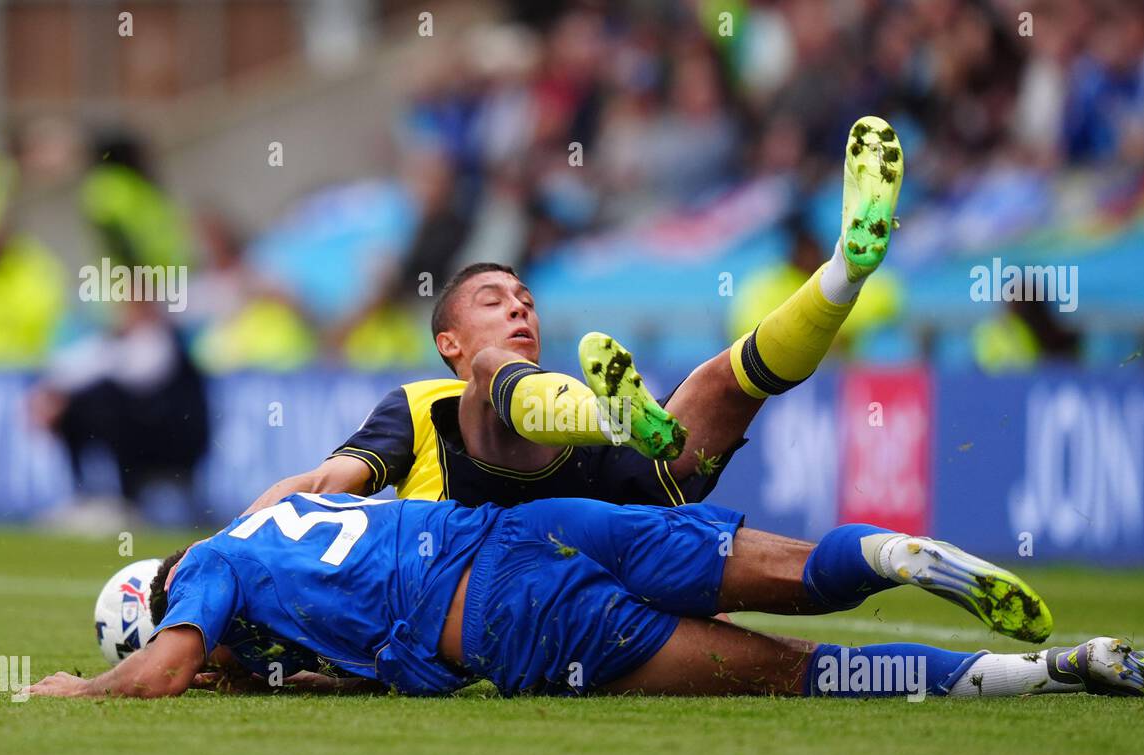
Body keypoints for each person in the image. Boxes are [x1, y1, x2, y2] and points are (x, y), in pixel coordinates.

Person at [247, 116, 906, 513]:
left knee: (720, 384)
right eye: (494, 300)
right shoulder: (421, 402)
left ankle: (845, 272)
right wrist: (230, 547)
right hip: (457, 581)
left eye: (526, 301)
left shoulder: (552, 398)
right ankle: (616, 415)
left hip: (580, 569)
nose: (518, 308)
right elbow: (324, 480)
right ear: (446, 339)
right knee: (497, 378)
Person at [24, 492, 1144, 700]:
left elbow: (168, 667)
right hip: (534, 526)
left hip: (511, 614)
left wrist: (84, 687)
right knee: (787, 572)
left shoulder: (209, 579)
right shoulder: (258, 539)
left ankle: (1048, 669)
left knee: (784, 673)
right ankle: (880, 555)